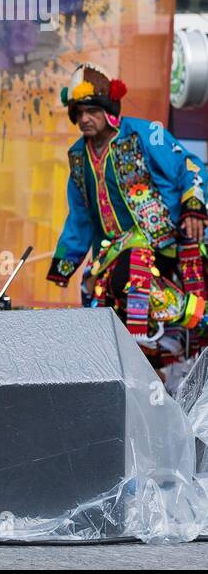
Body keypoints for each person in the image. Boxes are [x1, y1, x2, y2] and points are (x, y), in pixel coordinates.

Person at [48, 63, 208, 379]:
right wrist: (65, 263)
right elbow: (80, 215)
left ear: (109, 110)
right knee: (97, 297)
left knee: (131, 271)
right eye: (78, 113)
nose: (83, 120)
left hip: (160, 242)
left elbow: (188, 165)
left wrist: (193, 206)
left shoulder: (146, 134)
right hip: (111, 251)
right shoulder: (78, 156)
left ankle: (195, 315)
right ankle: (145, 371)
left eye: (91, 111)